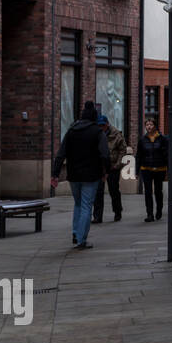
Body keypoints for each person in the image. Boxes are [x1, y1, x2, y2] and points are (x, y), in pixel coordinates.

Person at [50, 101, 111, 250]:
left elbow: (61, 154)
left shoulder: (71, 131)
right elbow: (105, 154)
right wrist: (106, 171)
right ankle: (81, 239)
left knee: (78, 204)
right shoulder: (98, 132)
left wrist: (55, 174)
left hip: (74, 175)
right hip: (91, 175)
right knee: (86, 206)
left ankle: (76, 233)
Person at [92, 115, 127, 224]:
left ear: (107, 124)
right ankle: (97, 216)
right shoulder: (96, 134)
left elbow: (123, 151)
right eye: (99, 125)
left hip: (112, 167)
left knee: (113, 190)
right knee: (98, 192)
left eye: (103, 125)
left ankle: (117, 211)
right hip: (100, 167)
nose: (101, 127)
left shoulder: (116, 134)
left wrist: (117, 165)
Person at [136, 117, 169, 221]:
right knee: (148, 192)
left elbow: (167, 155)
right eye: (147, 125)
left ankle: (159, 210)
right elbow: (139, 156)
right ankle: (149, 214)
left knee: (158, 191)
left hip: (160, 169)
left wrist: (169, 170)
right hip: (146, 169)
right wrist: (136, 171)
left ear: (155, 126)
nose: (149, 126)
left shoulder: (162, 139)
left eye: (151, 124)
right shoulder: (142, 140)